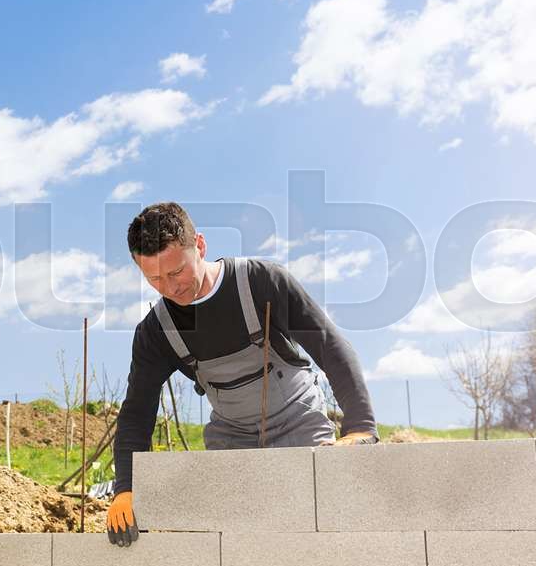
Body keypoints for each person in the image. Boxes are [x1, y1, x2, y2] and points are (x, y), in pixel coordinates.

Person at [107, 202, 377, 546]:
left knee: (319, 529)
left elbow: (330, 347)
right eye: (154, 279)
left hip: (298, 422)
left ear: (200, 246)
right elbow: (136, 413)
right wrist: (126, 488)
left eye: (176, 273)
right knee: (233, 547)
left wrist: (360, 428)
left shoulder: (262, 282)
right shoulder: (156, 331)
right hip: (231, 436)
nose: (170, 289)